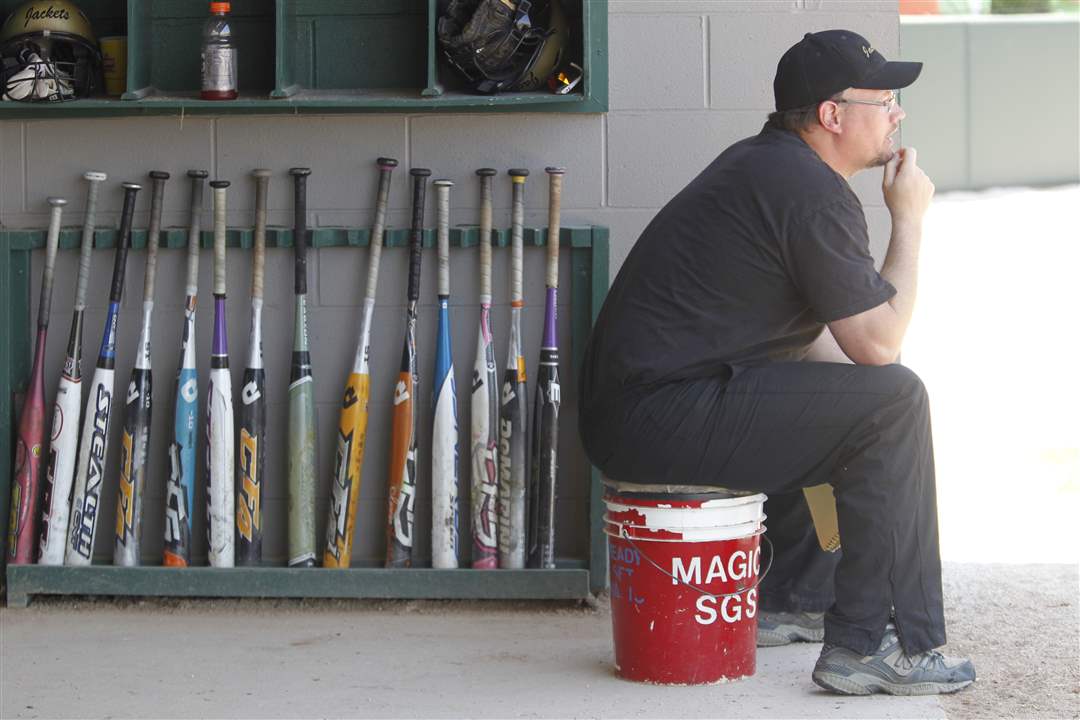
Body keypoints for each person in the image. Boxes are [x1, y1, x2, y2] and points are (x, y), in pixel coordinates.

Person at [578, 29, 976, 696]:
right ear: (832, 115)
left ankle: (791, 598)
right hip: (655, 412)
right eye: (884, 99)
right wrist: (908, 220)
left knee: (855, 399)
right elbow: (881, 347)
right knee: (895, 404)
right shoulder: (806, 190)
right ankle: (890, 644)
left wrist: (860, 388)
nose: (897, 112)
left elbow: (852, 357)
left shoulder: (772, 167)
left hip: (644, 409)